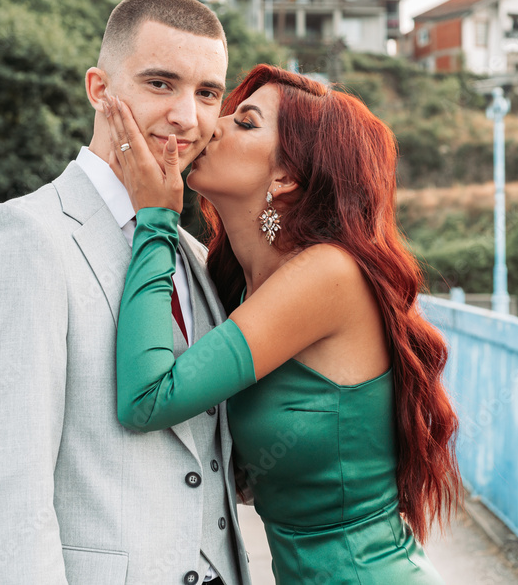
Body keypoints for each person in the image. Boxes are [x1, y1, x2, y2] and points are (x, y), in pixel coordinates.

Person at [105, 64, 464, 584]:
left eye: (245, 122)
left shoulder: (327, 273)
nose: (213, 124)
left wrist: (155, 218)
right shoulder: (247, 287)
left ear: (286, 176)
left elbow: (148, 399)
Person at [0, 0, 252, 585]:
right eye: (161, 84)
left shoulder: (192, 255)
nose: (187, 117)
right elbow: (9, 488)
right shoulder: (25, 236)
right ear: (99, 88)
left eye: (208, 93)